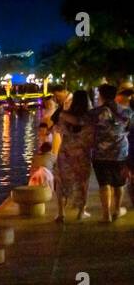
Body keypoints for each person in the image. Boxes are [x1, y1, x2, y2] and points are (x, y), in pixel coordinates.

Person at [90, 84, 131, 222]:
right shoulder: (127, 112)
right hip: (120, 152)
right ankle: (117, 210)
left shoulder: (96, 113)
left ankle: (106, 214)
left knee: (104, 183)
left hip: (100, 153)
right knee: (119, 183)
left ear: (101, 95)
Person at [54, 89, 93, 223]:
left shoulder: (63, 115)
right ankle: (81, 212)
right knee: (83, 182)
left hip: (65, 152)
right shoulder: (90, 117)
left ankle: (61, 213)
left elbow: (59, 131)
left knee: (61, 181)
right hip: (82, 153)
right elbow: (91, 135)